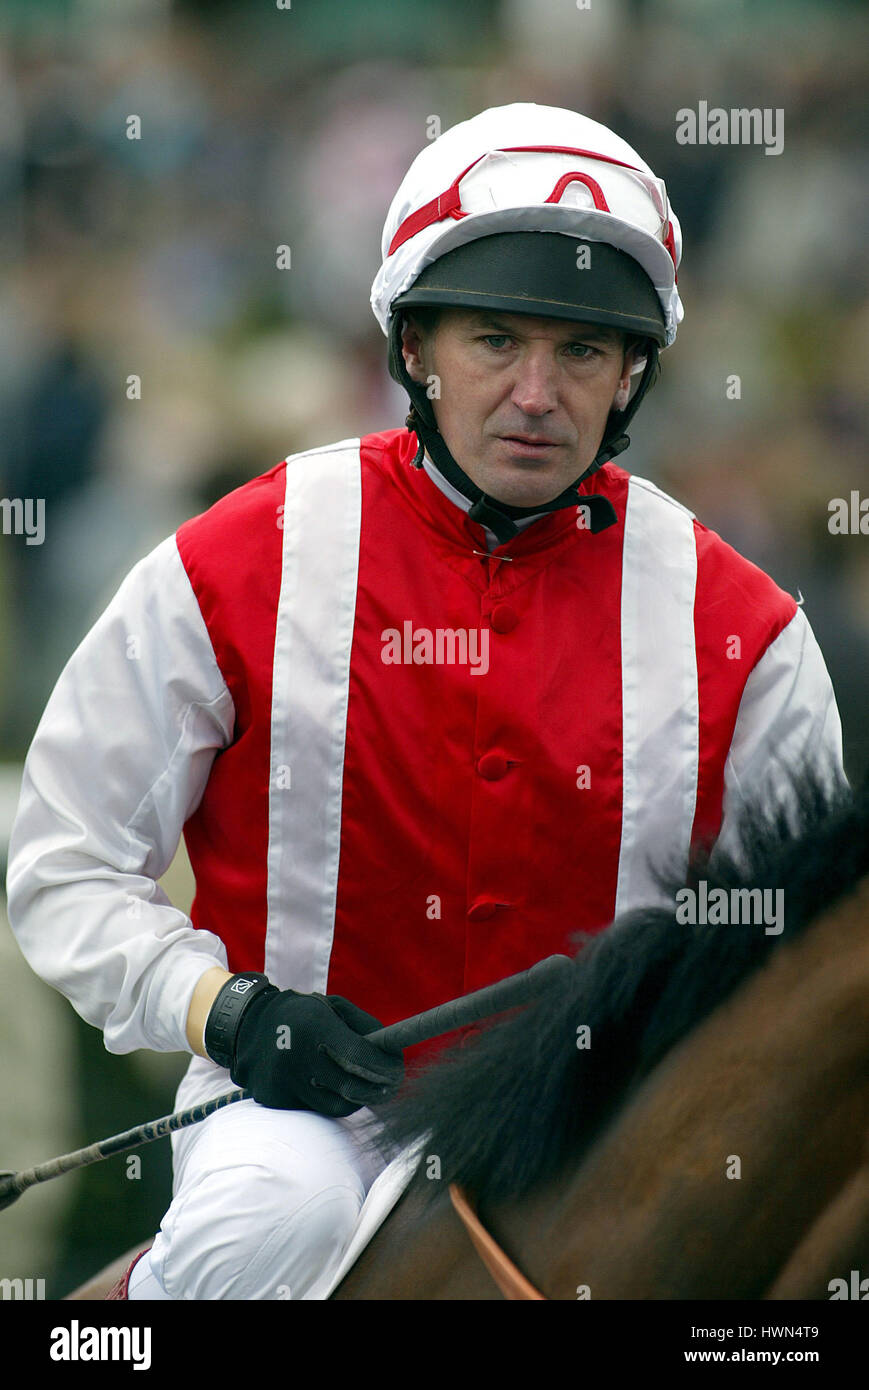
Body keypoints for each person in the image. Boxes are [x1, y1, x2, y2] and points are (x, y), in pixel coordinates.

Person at [6, 103, 845, 1300]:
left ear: (631, 379)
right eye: (495, 341)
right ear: (414, 349)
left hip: (602, 1130)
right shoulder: (243, 556)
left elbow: (794, 955)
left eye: (582, 354)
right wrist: (229, 1011)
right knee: (264, 1224)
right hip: (299, 1112)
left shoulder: (747, 630)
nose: (537, 394)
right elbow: (64, 860)